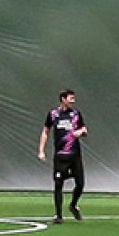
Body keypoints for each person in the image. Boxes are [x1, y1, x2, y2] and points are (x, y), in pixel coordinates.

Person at [37, 89, 87, 222]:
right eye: (71, 98)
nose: (73, 101)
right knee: (58, 183)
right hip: (60, 155)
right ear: (63, 99)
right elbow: (45, 132)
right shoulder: (53, 114)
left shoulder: (76, 114)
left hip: (75, 155)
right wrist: (41, 150)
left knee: (80, 183)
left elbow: (84, 129)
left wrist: (80, 132)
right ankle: (58, 215)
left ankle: (73, 205)